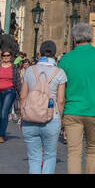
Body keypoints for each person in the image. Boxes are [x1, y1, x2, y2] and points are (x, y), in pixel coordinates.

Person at [59, 22, 95, 174]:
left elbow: (60, 90)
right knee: (93, 150)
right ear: (90, 37)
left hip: (72, 111)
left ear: (74, 38)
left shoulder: (65, 59)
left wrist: (60, 114)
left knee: (73, 152)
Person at [18, 40, 66, 174]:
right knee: (49, 156)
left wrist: (22, 115)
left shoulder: (29, 70)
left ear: (40, 53)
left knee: (34, 158)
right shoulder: (59, 72)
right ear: (55, 54)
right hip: (52, 118)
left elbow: (22, 96)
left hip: (30, 118)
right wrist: (61, 119)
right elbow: (61, 100)